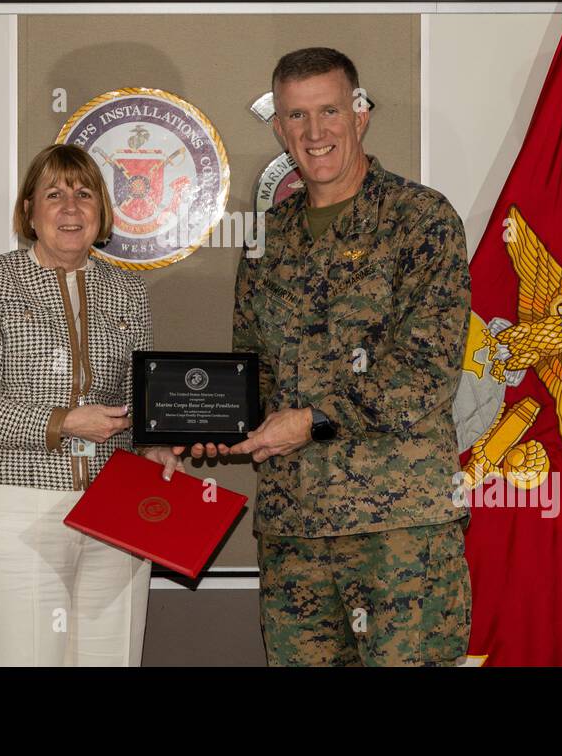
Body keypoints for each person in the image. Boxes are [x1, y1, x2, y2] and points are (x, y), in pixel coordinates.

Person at [179, 47, 473, 666]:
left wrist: (309, 420)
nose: (314, 133)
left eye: (329, 110)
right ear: (279, 127)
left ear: (360, 114)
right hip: (294, 530)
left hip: (396, 529)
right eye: (296, 116)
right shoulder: (267, 238)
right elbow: (250, 368)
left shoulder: (421, 220)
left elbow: (425, 373)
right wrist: (210, 427)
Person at [0, 142, 181, 667]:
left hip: (117, 508)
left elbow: (136, 403)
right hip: (17, 510)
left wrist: (153, 444)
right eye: (53, 194)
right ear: (29, 211)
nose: (70, 208)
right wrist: (63, 422)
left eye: (84, 194)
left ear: (101, 210)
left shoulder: (129, 291)